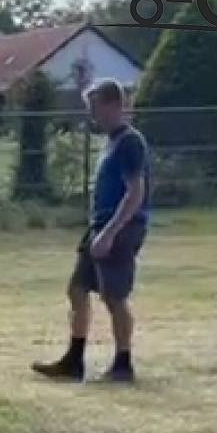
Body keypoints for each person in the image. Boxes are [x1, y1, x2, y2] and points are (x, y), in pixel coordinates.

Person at [34, 78, 152, 384]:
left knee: (114, 297)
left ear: (114, 105)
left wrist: (111, 232)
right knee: (77, 289)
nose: (92, 115)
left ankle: (124, 364)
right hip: (100, 226)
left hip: (121, 228)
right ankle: (74, 360)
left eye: (95, 108)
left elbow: (136, 192)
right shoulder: (113, 141)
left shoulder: (130, 142)